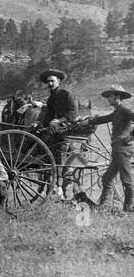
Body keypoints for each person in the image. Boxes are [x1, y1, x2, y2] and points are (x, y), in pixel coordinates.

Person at [73, 85, 134, 212]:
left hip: (123, 150)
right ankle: (104, 205)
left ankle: (129, 208)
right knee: (107, 178)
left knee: (126, 179)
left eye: (110, 97)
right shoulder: (117, 111)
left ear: (117, 97)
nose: (108, 99)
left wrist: (130, 137)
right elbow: (104, 119)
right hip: (117, 150)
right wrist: (88, 122)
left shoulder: (124, 110)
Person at [34, 69, 82, 198]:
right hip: (57, 126)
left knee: (57, 150)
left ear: (58, 81)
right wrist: (39, 124)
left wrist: (59, 120)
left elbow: (73, 114)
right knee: (40, 133)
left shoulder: (66, 94)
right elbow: (48, 115)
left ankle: (58, 184)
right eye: (48, 82)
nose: (50, 83)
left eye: (52, 81)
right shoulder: (51, 98)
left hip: (69, 124)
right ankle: (43, 157)